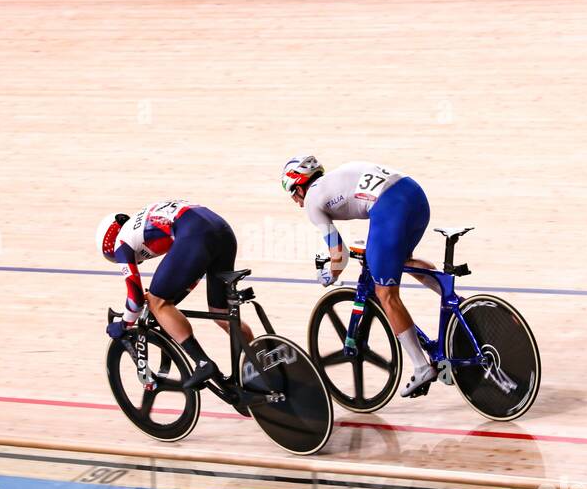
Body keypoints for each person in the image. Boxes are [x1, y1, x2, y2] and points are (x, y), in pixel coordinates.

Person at [281, 156, 439, 398]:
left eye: (293, 194)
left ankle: (421, 367)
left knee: (385, 294)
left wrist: (328, 275)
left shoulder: (313, 199)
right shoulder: (335, 179)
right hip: (414, 193)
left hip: (389, 208)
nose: (298, 203)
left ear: (300, 186)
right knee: (402, 260)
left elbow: (339, 255)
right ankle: (453, 299)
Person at [97, 200, 253, 389]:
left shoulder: (121, 244)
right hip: (221, 229)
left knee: (157, 301)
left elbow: (136, 299)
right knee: (221, 314)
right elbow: (193, 268)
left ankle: (203, 363)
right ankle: (258, 364)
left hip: (195, 234)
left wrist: (123, 325)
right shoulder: (141, 221)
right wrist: (171, 299)